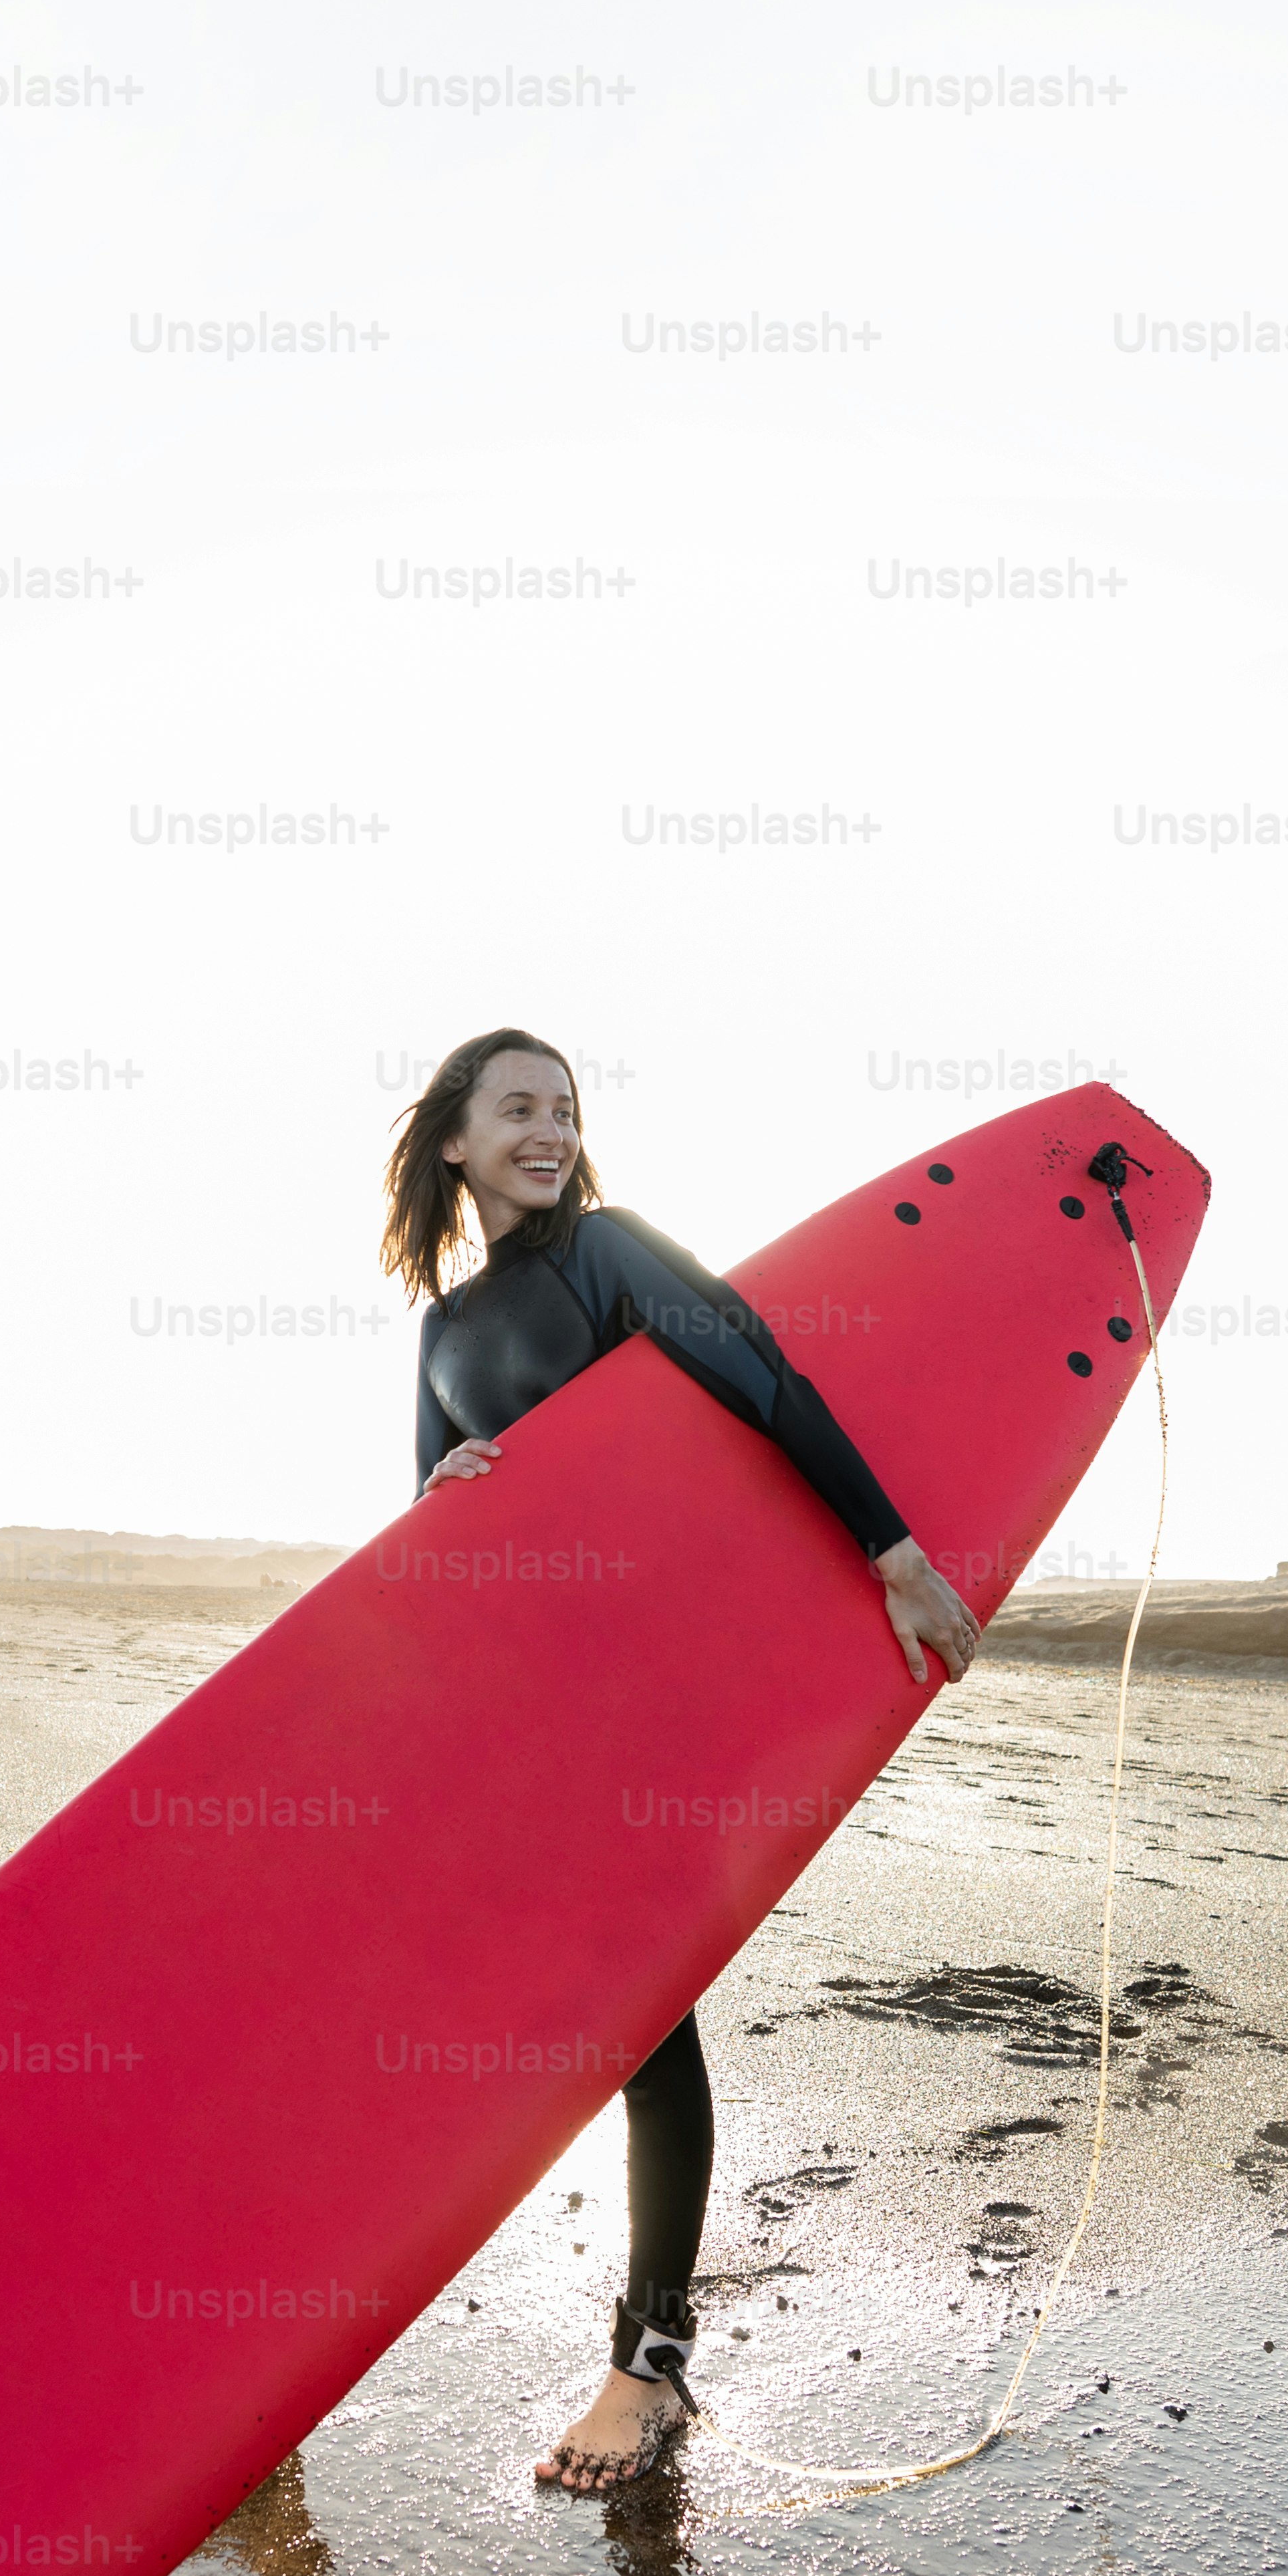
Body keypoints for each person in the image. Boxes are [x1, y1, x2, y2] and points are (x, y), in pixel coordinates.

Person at [382, 1027, 985, 2495]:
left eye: (565, 1107)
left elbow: (763, 1378)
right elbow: (412, 1549)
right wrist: (447, 1496)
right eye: (517, 1107)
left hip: (643, 1696)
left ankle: (648, 2364)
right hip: (523, 1714)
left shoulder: (606, 1254)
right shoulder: (441, 1328)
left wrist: (894, 1553)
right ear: (454, 1139)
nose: (549, 1128)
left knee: (647, 2020)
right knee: (556, 2014)